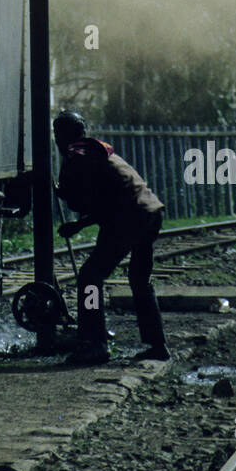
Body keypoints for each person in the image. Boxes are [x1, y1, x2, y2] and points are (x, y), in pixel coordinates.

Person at [53, 110, 169, 366]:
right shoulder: (97, 150)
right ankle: (157, 344)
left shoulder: (78, 154)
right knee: (140, 281)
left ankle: (94, 343)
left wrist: (74, 211)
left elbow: (91, 199)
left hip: (128, 217)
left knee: (90, 277)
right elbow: (107, 197)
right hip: (149, 212)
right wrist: (80, 224)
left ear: (61, 136)